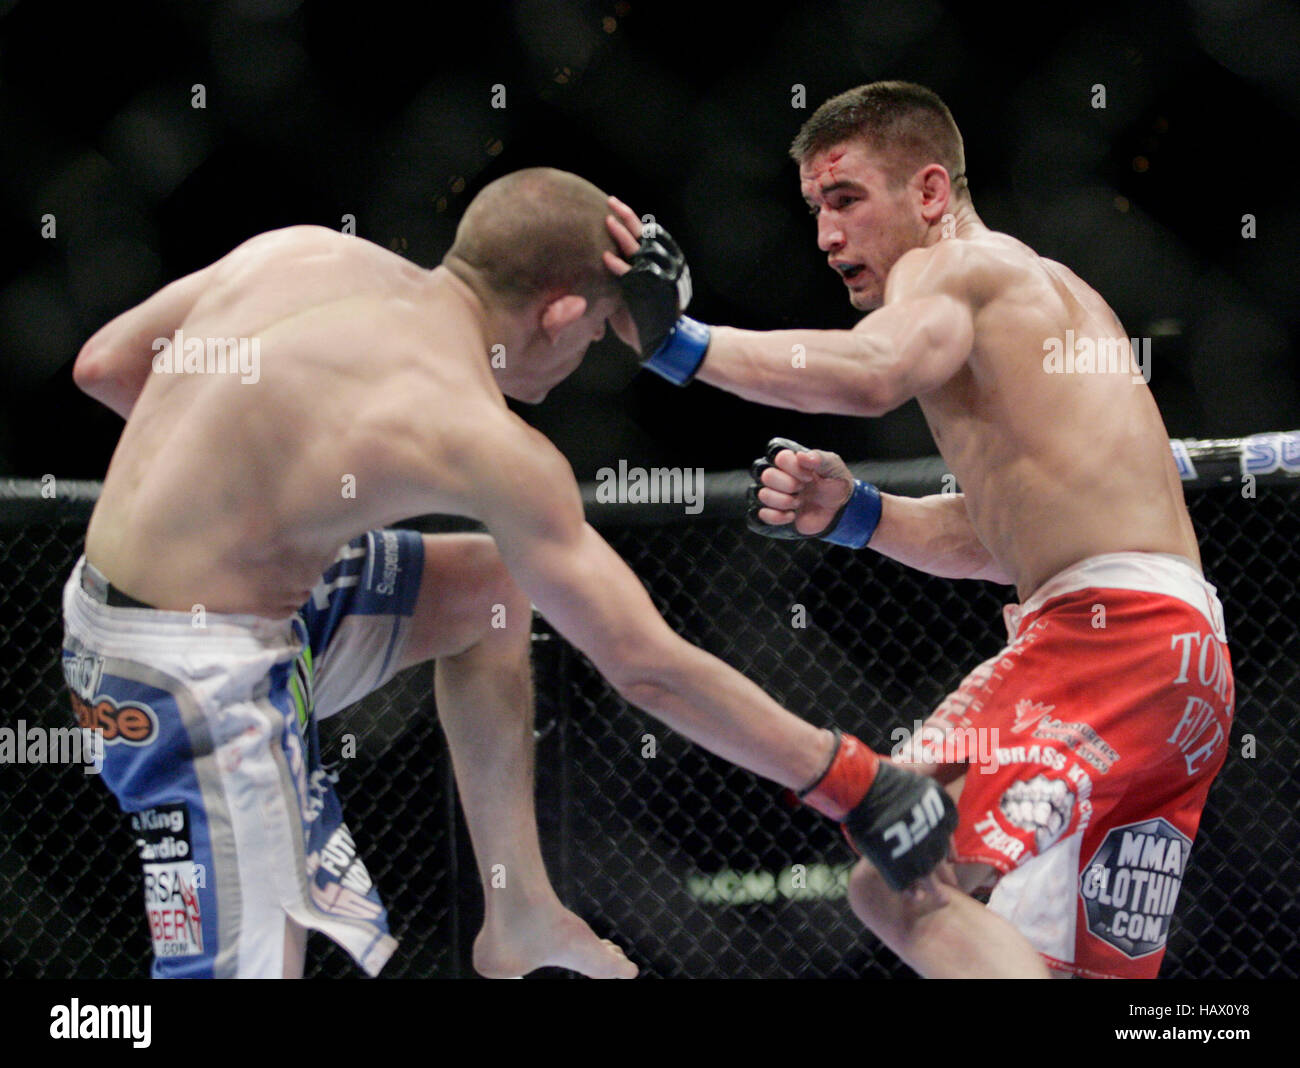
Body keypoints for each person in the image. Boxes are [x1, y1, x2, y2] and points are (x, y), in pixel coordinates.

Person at [62, 166, 953, 979]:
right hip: (189, 676)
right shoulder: (481, 436)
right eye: (601, 329)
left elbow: (105, 366)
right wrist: (855, 781)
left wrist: (258, 517)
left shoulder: (300, 250)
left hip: (140, 612)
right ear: (561, 313)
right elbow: (644, 665)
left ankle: (519, 911)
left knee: (487, 586)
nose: (586, 361)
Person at [604, 82, 1234, 979]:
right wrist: (858, 513)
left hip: (1109, 643)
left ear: (931, 192)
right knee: (1048, 962)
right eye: (816, 209)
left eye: (847, 199)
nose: (826, 237)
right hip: (1183, 666)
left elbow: (870, 373)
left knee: (898, 875)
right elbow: (1008, 540)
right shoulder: (1048, 294)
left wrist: (682, 345)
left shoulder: (952, 269)